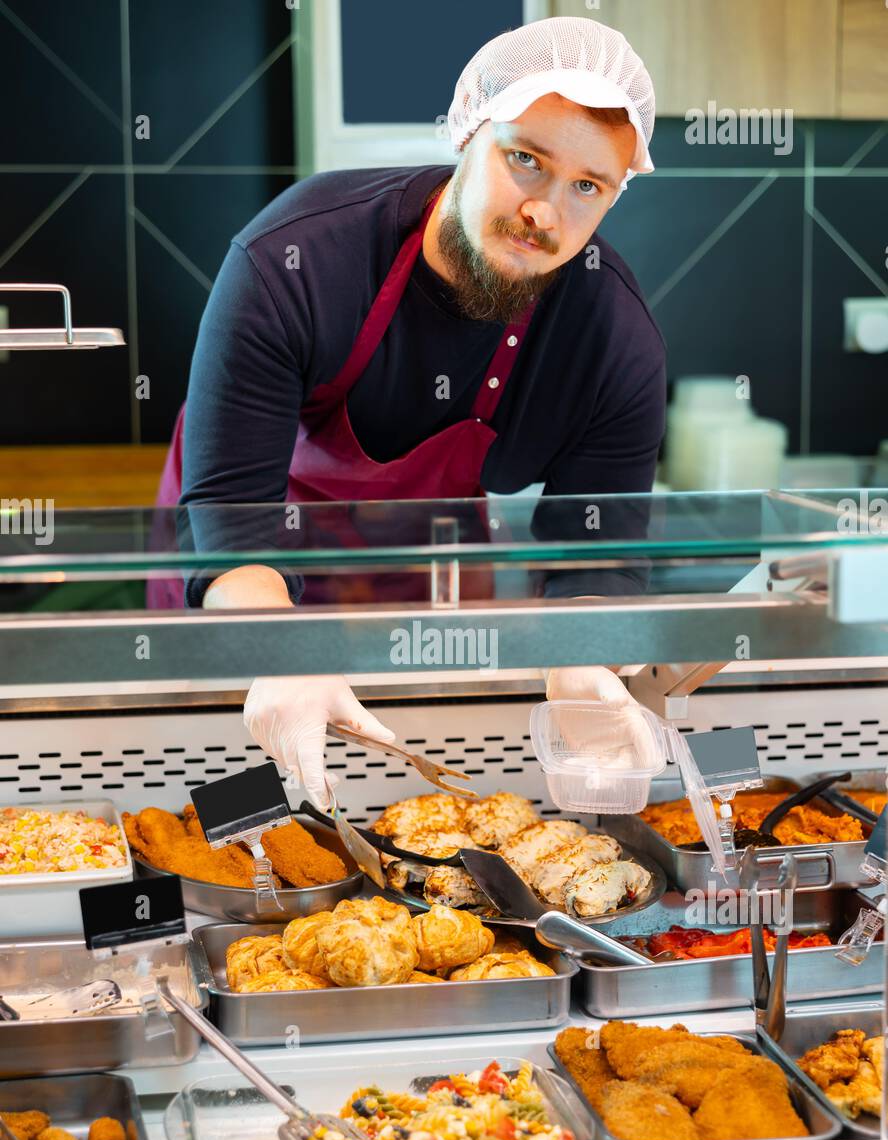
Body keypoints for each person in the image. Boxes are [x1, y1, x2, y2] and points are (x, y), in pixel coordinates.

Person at [159, 16, 667, 807]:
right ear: (469, 132)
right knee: (231, 816)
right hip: (247, 581)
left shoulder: (614, 341)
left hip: (419, 587)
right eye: (525, 160)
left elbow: (597, 552)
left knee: (402, 822)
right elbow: (230, 514)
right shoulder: (295, 258)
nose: (546, 212)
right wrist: (281, 653)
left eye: (587, 186)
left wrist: (585, 660)